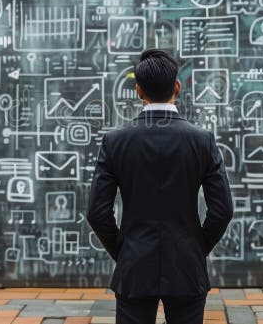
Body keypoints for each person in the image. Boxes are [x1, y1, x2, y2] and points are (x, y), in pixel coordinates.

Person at [87, 48, 234, 324]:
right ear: (177, 87)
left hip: (134, 264)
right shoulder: (202, 140)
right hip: (187, 265)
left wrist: (126, 250)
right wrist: (195, 246)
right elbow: (223, 210)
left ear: (139, 91)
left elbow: (96, 212)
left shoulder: (115, 141)